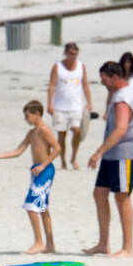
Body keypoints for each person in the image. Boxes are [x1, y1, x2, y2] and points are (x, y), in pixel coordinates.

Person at [0, 100, 61, 255]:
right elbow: (18, 151)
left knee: (31, 206)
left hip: (44, 171)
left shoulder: (44, 130)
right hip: (36, 170)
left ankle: (39, 243)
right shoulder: (32, 133)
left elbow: (57, 148)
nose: (26, 119)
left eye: (27, 116)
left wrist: (43, 165)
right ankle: (50, 245)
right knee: (42, 208)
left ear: (37, 114)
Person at [84, 61, 133, 260]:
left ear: (115, 77)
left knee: (122, 197)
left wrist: (98, 152)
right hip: (114, 153)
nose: (102, 83)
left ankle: (128, 248)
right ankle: (103, 244)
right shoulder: (123, 94)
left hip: (124, 153)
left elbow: (121, 129)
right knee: (99, 193)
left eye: (104, 79)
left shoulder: (123, 98)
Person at [47, 41, 92, 170]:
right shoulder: (58, 67)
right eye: (71, 54)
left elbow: (85, 84)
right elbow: (52, 85)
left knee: (77, 131)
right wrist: (50, 103)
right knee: (61, 135)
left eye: (76, 54)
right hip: (60, 106)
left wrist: (89, 102)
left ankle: (74, 157)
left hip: (76, 106)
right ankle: (63, 160)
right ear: (66, 53)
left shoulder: (81, 66)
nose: (74, 57)